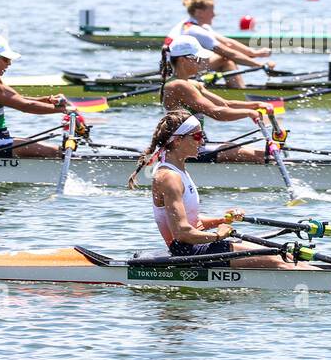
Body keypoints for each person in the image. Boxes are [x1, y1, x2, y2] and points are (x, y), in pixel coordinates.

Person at [129, 110, 303, 268]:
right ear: (178, 140)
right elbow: (182, 232)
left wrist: (222, 220)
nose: (203, 141)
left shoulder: (178, 171)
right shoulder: (169, 177)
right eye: (197, 136)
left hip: (195, 246)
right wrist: (219, 236)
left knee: (284, 255)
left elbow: (192, 222)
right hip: (189, 252)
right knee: (279, 261)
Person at [159, 34, 277, 164]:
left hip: (196, 144)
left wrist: (256, 105)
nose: (201, 62)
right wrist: (248, 113)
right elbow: (216, 112)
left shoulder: (193, 84)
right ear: (182, 60)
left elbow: (225, 104)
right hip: (183, 150)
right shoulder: (178, 85)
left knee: (251, 151)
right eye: (197, 58)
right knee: (263, 156)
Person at [0, 35, 69, 158]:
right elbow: (25, 106)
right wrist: (64, 110)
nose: (9, 63)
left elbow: (19, 98)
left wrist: (49, 100)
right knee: (56, 152)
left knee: (58, 151)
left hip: (0, 139)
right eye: (5, 59)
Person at [165, 0, 272, 88]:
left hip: (179, 64)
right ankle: (240, 92)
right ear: (199, 12)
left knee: (225, 59)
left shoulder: (196, 26)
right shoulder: (194, 30)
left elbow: (227, 43)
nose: (214, 14)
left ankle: (237, 90)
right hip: (174, 68)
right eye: (211, 10)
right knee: (224, 59)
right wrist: (260, 66)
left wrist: (254, 53)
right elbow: (228, 52)